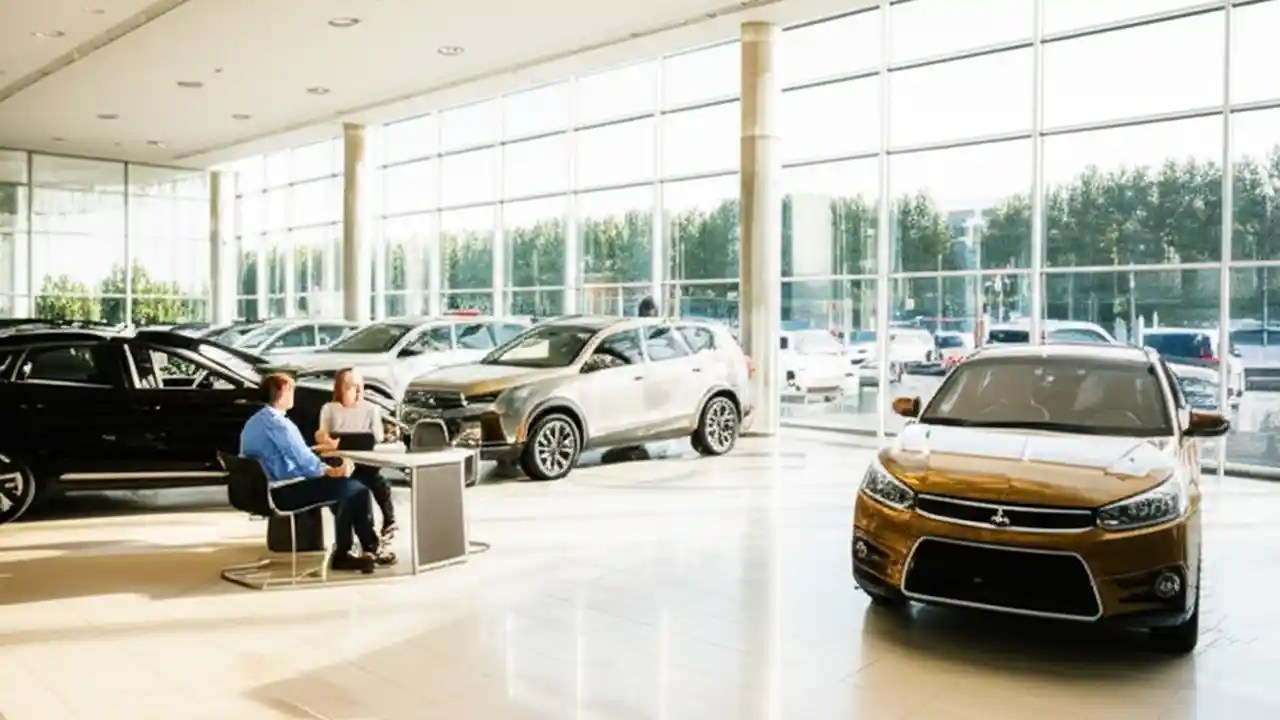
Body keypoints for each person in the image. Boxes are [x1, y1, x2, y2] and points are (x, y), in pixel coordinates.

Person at [240, 373, 393, 573]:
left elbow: (288, 455)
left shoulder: (255, 421)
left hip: (261, 490)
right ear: (283, 392)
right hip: (284, 492)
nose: (293, 395)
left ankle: (351, 551)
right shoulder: (278, 424)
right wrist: (330, 471)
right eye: (291, 390)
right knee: (356, 489)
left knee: (346, 492)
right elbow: (304, 461)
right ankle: (365, 549)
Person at [314, 368, 397, 541]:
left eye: (361, 386)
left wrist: (340, 441)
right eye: (352, 387)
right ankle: (363, 542)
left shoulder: (371, 409)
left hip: (365, 465)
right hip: (340, 464)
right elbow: (323, 440)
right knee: (351, 492)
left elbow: (376, 439)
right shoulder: (329, 409)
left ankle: (388, 523)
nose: (359, 392)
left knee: (379, 482)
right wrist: (329, 440)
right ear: (340, 390)